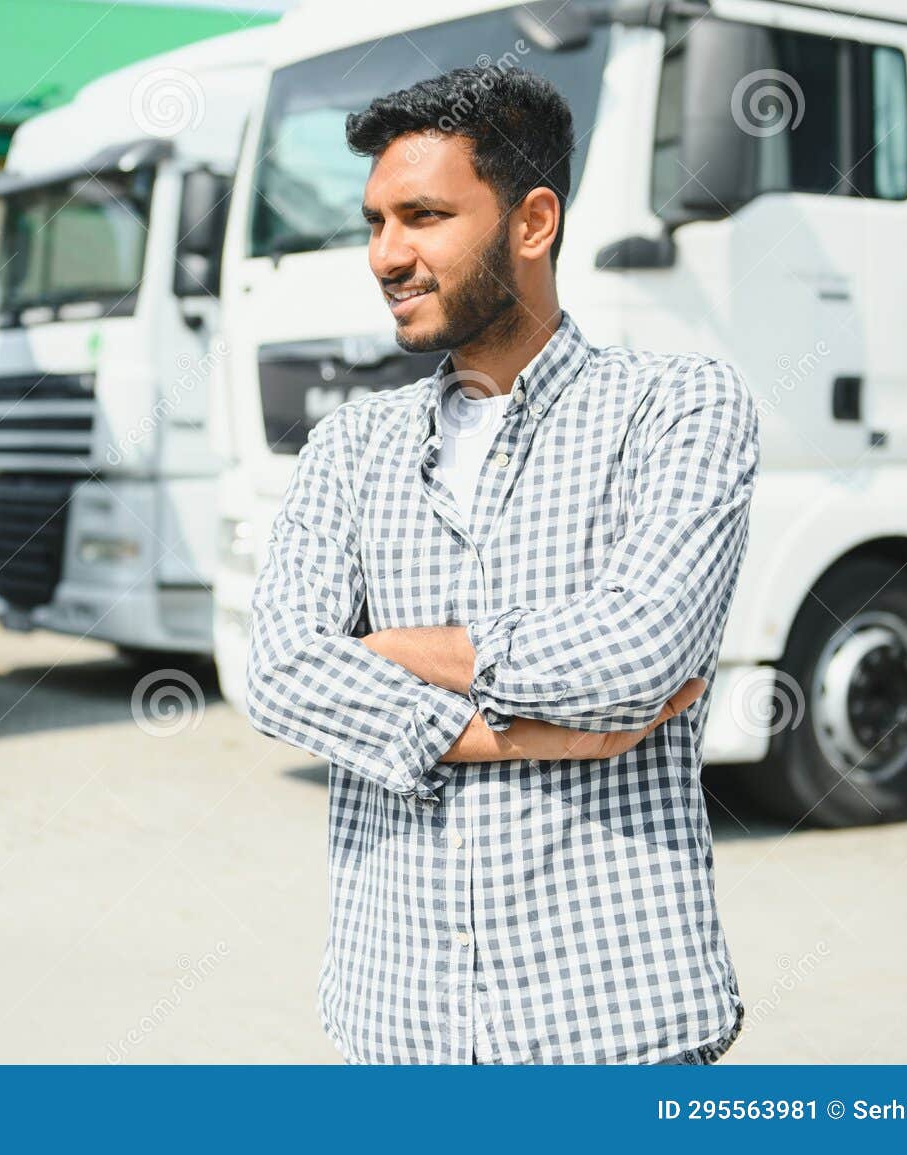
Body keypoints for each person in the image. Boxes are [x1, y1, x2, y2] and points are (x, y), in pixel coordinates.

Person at [245, 66, 760, 1065]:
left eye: (424, 217)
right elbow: (277, 670)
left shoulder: (678, 408)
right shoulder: (348, 445)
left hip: (615, 1035)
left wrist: (390, 652)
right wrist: (521, 736)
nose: (385, 255)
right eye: (375, 222)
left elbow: (637, 654)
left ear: (532, 222)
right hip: (399, 1030)